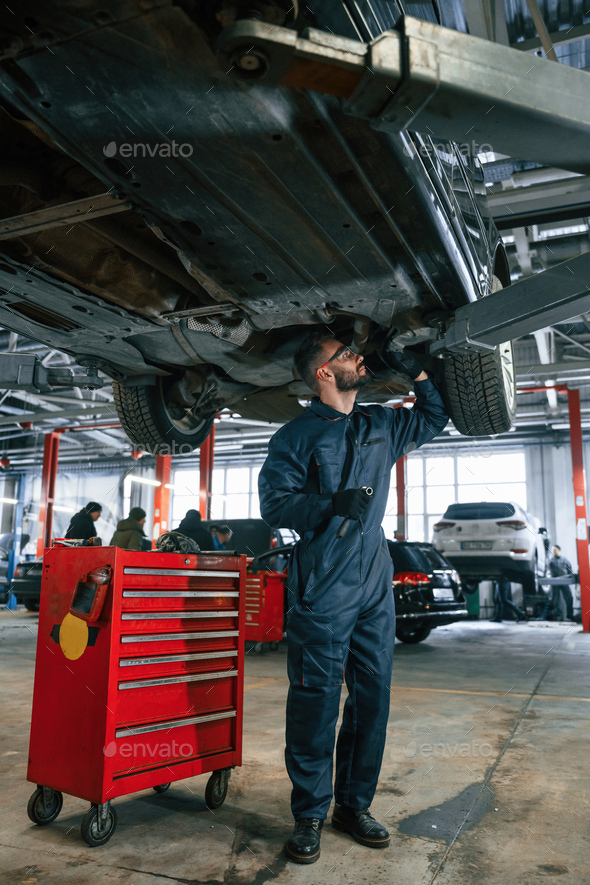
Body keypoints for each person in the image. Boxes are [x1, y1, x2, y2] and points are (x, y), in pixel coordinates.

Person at [258, 333, 448, 864]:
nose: (356, 358)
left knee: (372, 699)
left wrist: (417, 374)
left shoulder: (380, 424)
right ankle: (309, 815)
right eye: (345, 354)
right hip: (322, 581)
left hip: (373, 582)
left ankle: (353, 805)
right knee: (315, 700)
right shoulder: (295, 436)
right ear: (323, 373)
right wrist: (327, 505)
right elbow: (275, 504)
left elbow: (433, 418)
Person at [538, 545, 574, 621]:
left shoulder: (565, 560)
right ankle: (558, 616)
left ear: (559, 550)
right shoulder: (551, 561)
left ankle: (570, 615)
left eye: (555, 550)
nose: (554, 552)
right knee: (556, 599)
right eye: (553, 551)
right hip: (555, 582)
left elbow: (570, 571)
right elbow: (546, 569)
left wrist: (571, 578)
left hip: (564, 581)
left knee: (569, 598)